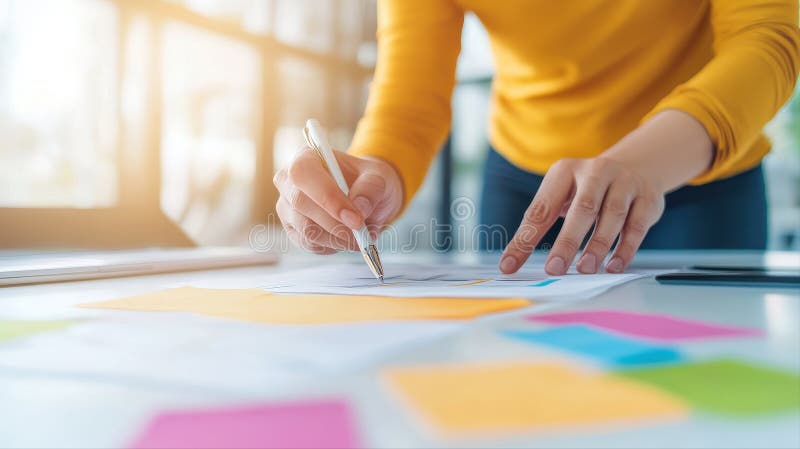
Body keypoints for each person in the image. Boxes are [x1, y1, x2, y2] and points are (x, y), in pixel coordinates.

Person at [273, 0, 800, 275]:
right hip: (527, 189)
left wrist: (643, 161)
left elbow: (767, 39)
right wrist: (376, 170)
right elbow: (411, 97)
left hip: (697, 176)